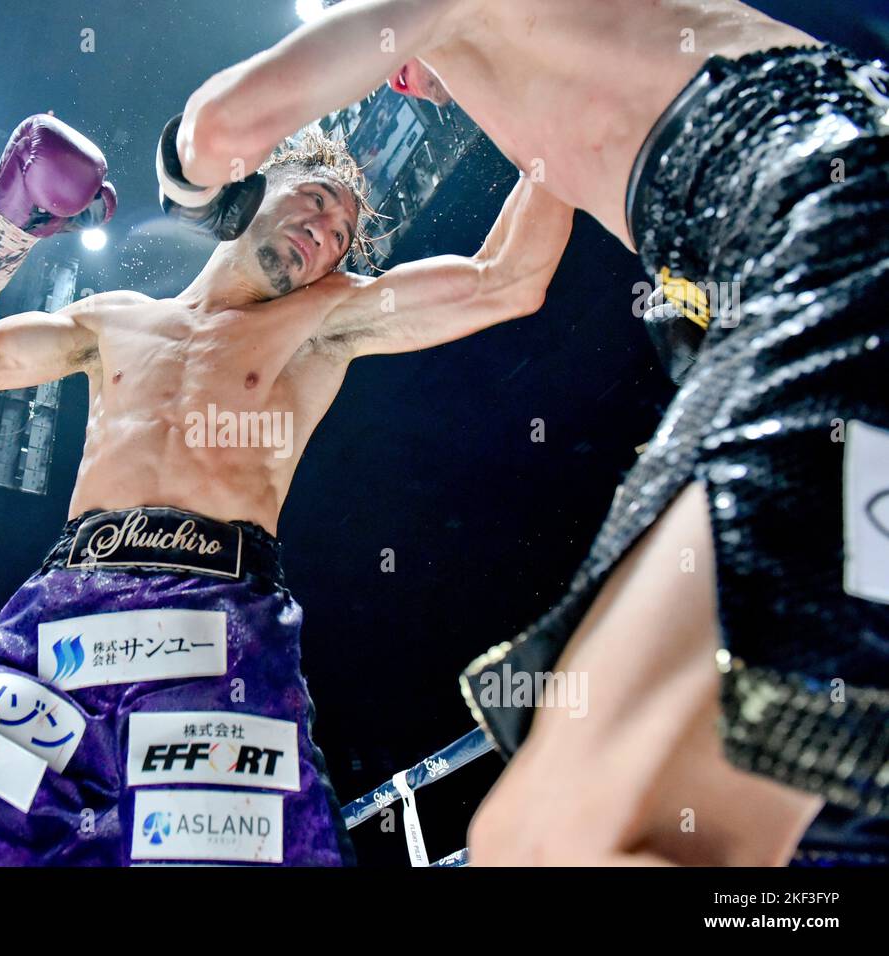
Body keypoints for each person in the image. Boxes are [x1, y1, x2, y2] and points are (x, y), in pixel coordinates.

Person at [175, 0, 889, 864]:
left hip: (830, 222)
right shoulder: (534, 92)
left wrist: (190, 181)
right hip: (782, 266)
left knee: (587, 834)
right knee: (557, 831)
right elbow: (509, 281)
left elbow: (221, 124)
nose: (412, 95)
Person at [0, 111, 573, 865]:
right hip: (55, 630)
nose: (326, 229)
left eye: (343, 234)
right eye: (316, 199)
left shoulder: (326, 318)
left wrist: (552, 108)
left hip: (216, 628)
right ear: (252, 188)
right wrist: (4, 223)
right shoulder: (116, 319)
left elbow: (507, 280)